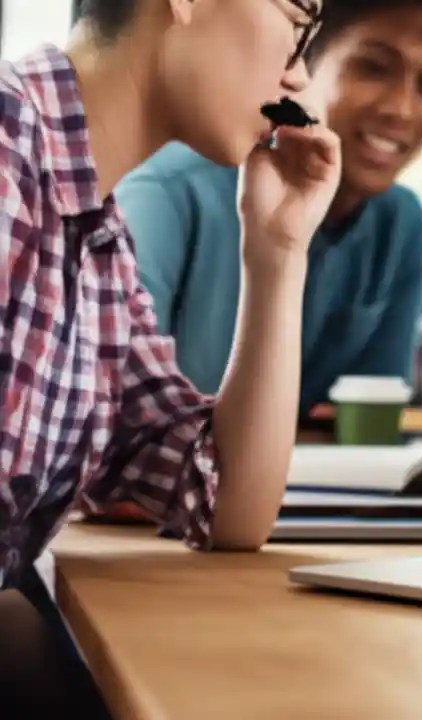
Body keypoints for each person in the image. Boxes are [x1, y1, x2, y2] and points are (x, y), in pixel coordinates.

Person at [0, 0, 341, 587]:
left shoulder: (99, 249)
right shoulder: (7, 155)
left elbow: (226, 505)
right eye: (299, 20)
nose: (300, 75)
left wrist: (278, 252)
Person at [118, 0, 422, 414]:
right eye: (373, 68)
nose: (402, 109)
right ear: (300, 61)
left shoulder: (400, 225)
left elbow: (368, 425)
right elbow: (119, 416)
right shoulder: (164, 195)